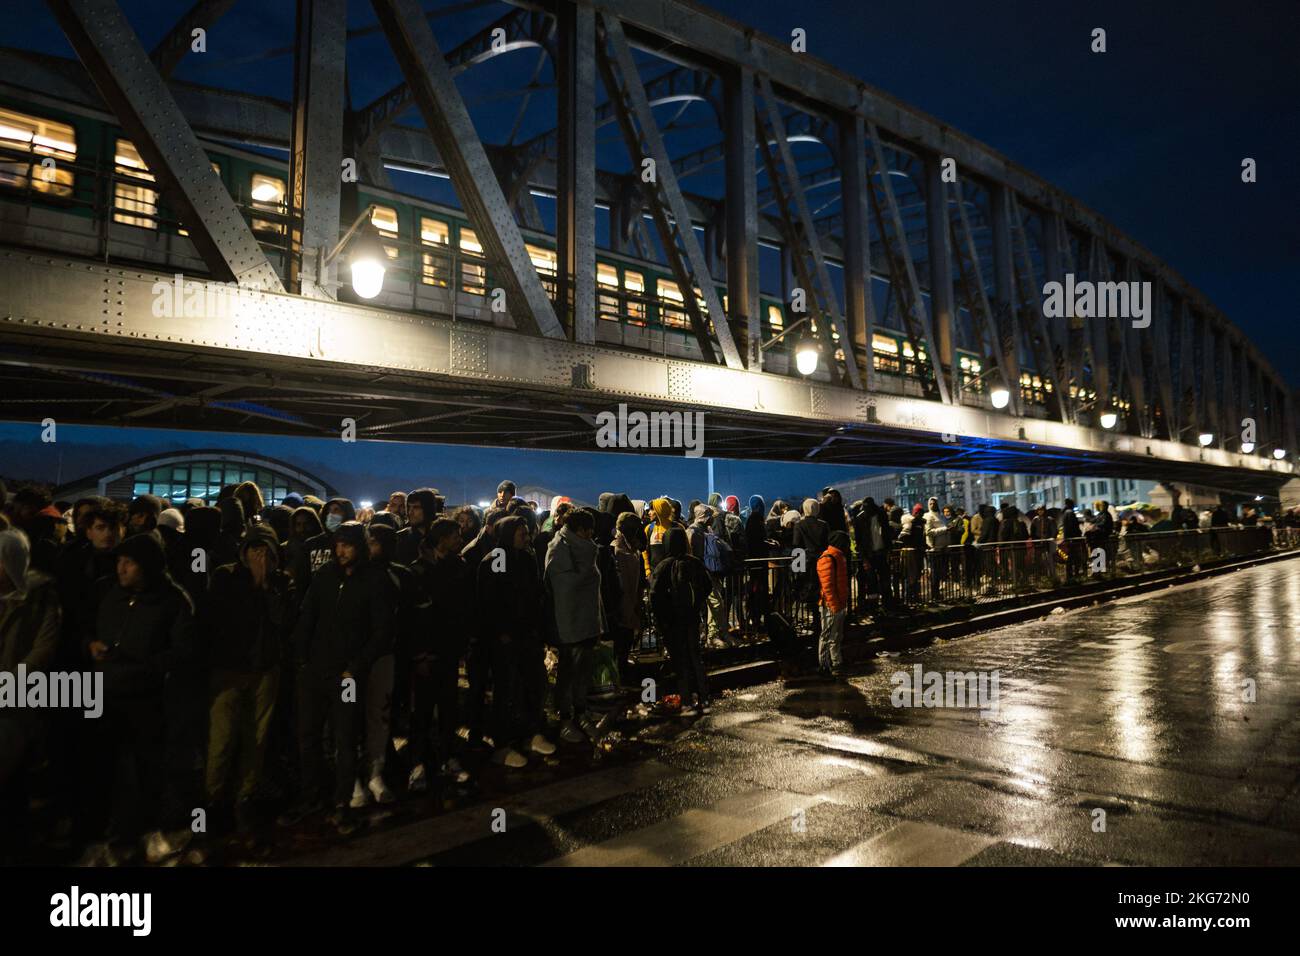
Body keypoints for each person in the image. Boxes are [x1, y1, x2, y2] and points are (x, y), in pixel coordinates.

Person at [82, 531, 197, 864]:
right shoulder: (109, 593)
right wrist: (89, 644)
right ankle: (111, 834)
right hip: (105, 696)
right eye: (119, 561)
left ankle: (149, 832)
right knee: (106, 769)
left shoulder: (173, 600)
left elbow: (184, 651)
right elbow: (85, 627)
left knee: (148, 770)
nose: (122, 568)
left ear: (147, 566)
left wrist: (145, 667)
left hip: (149, 699)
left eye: (129, 563)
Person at [287, 521, 394, 831]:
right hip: (315, 672)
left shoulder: (375, 581)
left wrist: (356, 666)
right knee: (308, 735)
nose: (340, 551)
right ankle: (313, 795)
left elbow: (382, 631)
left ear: (359, 546)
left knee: (345, 737)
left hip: (348, 675)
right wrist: (302, 660)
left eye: (347, 545)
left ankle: (341, 800)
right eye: (338, 545)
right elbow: (308, 617)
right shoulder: (324, 577)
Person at [204, 525, 295, 832]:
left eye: (266, 551)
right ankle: (212, 800)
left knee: (256, 738)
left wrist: (266, 585)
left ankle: (245, 797)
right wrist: (252, 584)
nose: (259, 556)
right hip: (229, 670)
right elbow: (221, 618)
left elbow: (283, 620)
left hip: (265, 671)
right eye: (254, 550)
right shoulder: (225, 576)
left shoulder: (282, 581)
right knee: (223, 738)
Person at [0, 528, 61, 857]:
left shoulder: (39, 595)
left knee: (14, 779)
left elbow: (43, 646)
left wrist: (11, 682)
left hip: (18, 702)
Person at [475, 515, 549, 768]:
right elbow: (489, 600)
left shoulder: (526, 558)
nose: (526, 538)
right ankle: (502, 744)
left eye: (527, 533)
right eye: (521, 533)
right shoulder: (496, 559)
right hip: (504, 638)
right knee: (505, 690)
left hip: (527, 634)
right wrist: (500, 632)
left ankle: (530, 734)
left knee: (533, 685)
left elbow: (535, 592)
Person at [406, 518, 473, 790]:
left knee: (448, 708)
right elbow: (412, 616)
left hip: (449, 650)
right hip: (425, 653)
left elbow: (464, 608)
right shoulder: (418, 570)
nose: (460, 539)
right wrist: (419, 654)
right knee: (421, 711)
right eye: (455, 535)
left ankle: (448, 758)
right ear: (441, 538)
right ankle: (418, 764)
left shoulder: (459, 567)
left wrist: (463, 644)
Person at [545, 507, 606, 743]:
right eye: (589, 530)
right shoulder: (559, 548)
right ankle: (565, 719)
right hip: (569, 622)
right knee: (568, 673)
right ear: (580, 530)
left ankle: (581, 712)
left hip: (586, 620)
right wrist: (588, 575)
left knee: (582, 672)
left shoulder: (583, 548)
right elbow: (562, 587)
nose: (592, 534)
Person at [649, 527, 712, 715]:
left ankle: (686, 702)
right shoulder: (695, 563)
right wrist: (696, 602)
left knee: (680, 660)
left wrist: (661, 618)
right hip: (692, 617)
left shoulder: (663, 565)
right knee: (695, 657)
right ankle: (704, 698)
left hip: (672, 621)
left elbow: (655, 595)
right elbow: (707, 586)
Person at [611, 511, 646, 668]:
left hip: (630, 602)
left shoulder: (631, 549)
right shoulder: (617, 550)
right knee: (621, 641)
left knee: (627, 639)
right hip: (621, 605)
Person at [816, 531, 850, 678]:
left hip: (837, 604)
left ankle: (836, 663)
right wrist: (836, 605)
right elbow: (827, 586)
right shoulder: (829, 558)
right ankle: (824, 665)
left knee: (835, 636)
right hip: (831, 605)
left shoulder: (837, 556)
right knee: (828, 635)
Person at [395, 488, 443, 566]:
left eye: (416, 507)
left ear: (428, 509)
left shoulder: (442, 537)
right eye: (409, 507)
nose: (410, 512)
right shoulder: (400, 538)